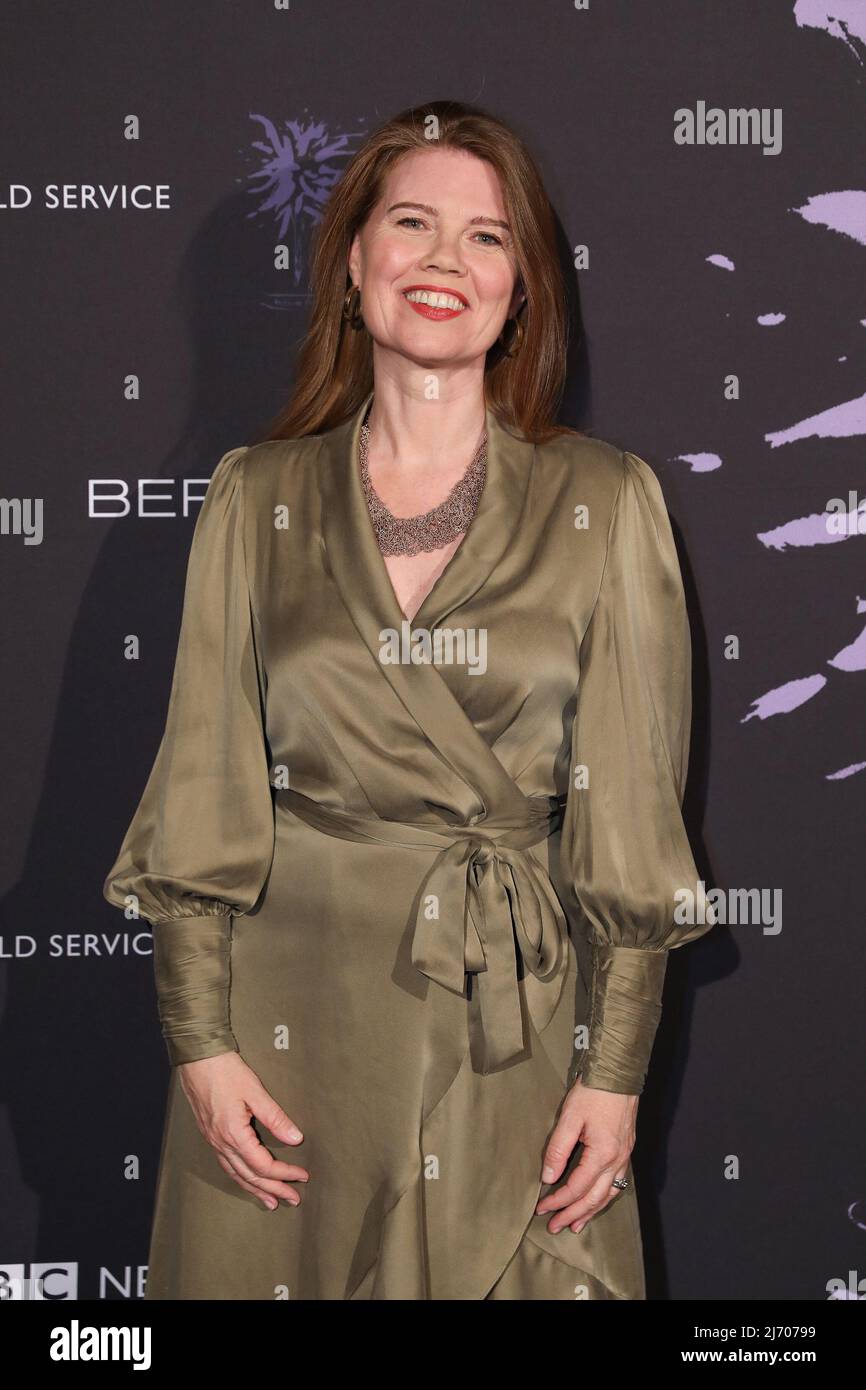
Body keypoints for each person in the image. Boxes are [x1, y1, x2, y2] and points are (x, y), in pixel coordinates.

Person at [103, 99, 716, 1301]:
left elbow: (632, 823)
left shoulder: (605, 501)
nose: (444, 261)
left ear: (525, 287)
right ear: (350, 263)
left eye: (487, 238)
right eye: (412, 223)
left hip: (523, 1033)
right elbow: (200, 788)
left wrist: (613, 1069)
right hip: (290, 1039)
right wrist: (201, 1039)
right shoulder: (254, 498)